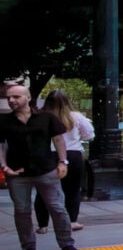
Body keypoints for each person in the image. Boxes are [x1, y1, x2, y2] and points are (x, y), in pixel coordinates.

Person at [2, 81, 79, 250]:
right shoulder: (4, 121)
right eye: (8, 98)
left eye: (16, 97)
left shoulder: (46, 118)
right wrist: (4, 166)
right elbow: (1, 146)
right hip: (17, 174)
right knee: (22, 211)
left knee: (58, 208)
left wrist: (62, 162)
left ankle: (67, 245)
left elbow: (59, 140)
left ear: (28, 98)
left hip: (47, 171)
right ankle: (29, 248)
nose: (11, 100)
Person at [33, 90, 89, 236]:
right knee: (73, 189)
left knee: (43, 191)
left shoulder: (40, 117)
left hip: (48, 154)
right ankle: (72, 221)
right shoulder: (75, 117)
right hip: (74, 154)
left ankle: (42, 225)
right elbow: (89, 134)